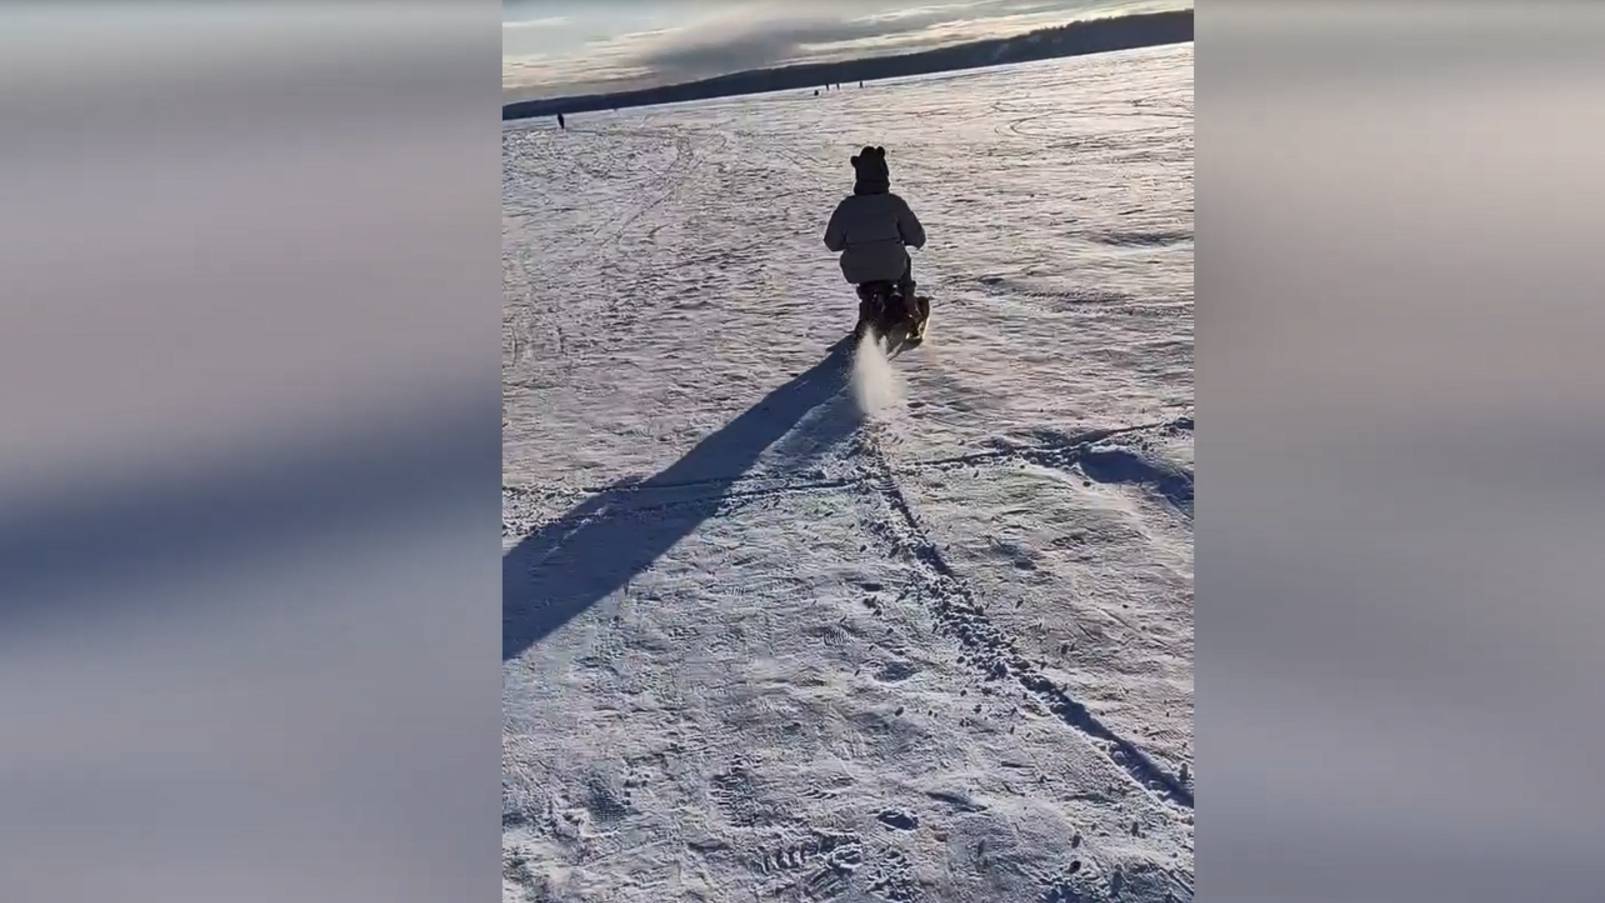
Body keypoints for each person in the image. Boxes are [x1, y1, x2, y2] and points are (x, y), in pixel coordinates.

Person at [823, 146, 925, 334]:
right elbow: (918, 237)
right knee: (904, 259)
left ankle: (868, 313)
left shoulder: (846, 207)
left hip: (857, 269)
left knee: (872, 273)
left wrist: (851, 241)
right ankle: (910, 304)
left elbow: (831, 242)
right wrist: (907, 239)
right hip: (892, 267)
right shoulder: (895, 203)